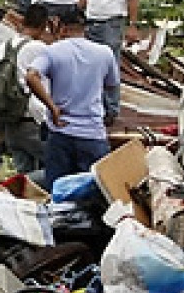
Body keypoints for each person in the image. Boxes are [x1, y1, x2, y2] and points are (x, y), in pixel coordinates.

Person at [25, 11, 120, 187]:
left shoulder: (52, 51)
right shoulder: (104, 53)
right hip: (93, 133)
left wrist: (52, 107)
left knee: (58, 192)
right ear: (84, 29)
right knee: (96, 192)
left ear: (62, 27)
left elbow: (31, 76)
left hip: (61, 133)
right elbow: (111, 85)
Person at [0, 3, 50, 174]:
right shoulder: (39, 49)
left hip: (10, 122)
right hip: (33, 123)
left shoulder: (2, 48)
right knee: (55, 170)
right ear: (44, 25)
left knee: (22, 177)